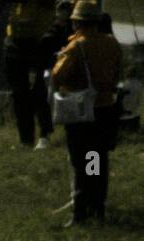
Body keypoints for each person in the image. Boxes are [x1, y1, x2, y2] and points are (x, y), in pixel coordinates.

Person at [51, 1, 122, 225]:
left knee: (79, 161)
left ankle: (80, 211)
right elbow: (118, 72)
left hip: (81, 111)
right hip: (105, 109)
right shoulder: (111, 44)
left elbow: (57, 77)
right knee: (97, 158)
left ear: (77, 22)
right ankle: (97, 206)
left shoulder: (76, 47)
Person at [0, 1, 58, 149]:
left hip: (40, 41)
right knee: (19, 94)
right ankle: (25, 139)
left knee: (40, 91)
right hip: (15, 43)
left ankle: (44, 135)